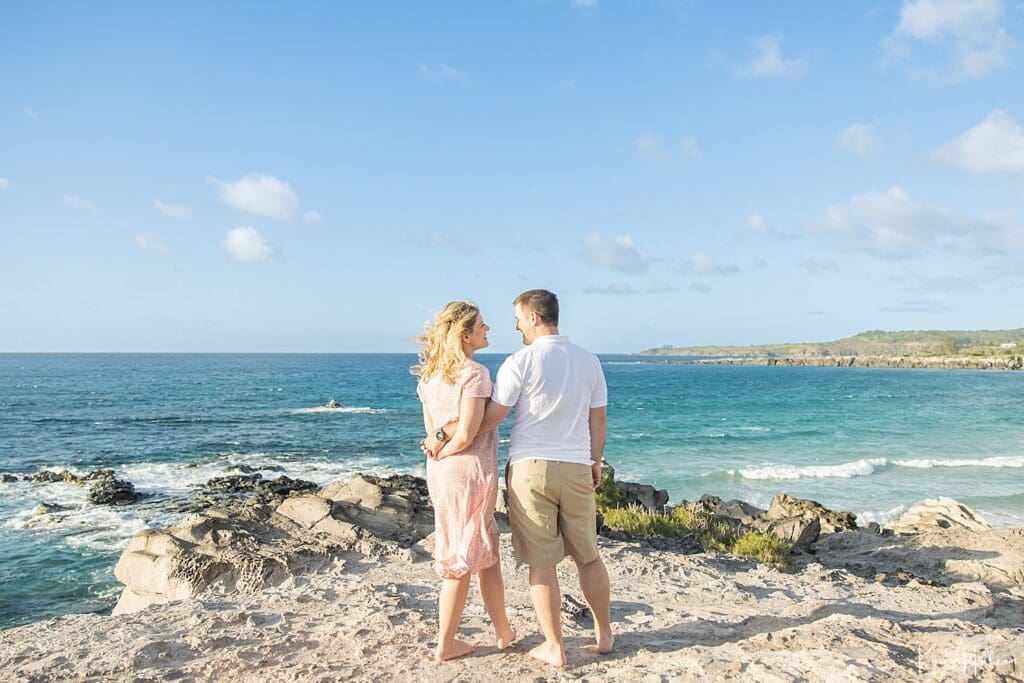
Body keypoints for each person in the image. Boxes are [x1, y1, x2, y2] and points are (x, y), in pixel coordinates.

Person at [426, 289, 613, 667]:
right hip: (577, 466)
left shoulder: (519, 362)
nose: (514, 326)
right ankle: (604, 635)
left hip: (530, 471)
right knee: (589, 558)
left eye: (517, 319)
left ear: (533, 317)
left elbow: (489, 419)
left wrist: (444, 436)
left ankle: (554, 646)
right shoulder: (589, 361)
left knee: (542, 562)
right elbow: (598, 419)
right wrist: (595, 461)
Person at [413, 301, 516, 662]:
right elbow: (470, 432)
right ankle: (445, 643)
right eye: (482, 326)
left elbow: (432, 432)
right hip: (468, 470)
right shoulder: (475, 374)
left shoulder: (429, 378)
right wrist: (448, 449)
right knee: (463, 554)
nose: (488, 330)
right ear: (465, 333)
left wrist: (439, 452)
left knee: (485, 550)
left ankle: (503, 631)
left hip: (441, 470)